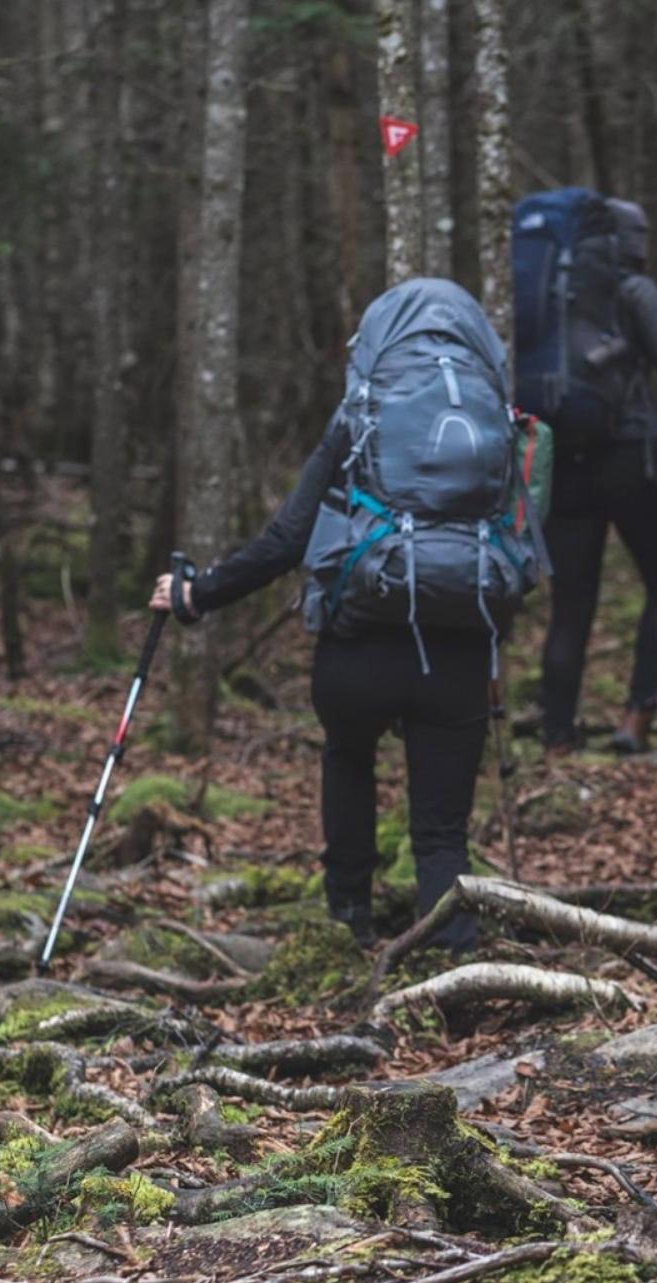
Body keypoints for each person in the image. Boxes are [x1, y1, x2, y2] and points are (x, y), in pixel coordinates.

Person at [152, 279, 525, 952]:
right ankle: (451, 959)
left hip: (359, 647)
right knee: (442, 831)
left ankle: (348, 924)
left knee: (349, 760)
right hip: (461, 652)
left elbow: (285, 540)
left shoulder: (359, 418)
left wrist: (194, 596)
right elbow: (522, 546)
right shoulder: (498, 424)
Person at [538, 198, 657, 756]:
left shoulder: (551, 293)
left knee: (570, 601)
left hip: (566, 462)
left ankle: (557, 735)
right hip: (631, 457)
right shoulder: (633, 290)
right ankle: (637, 716)